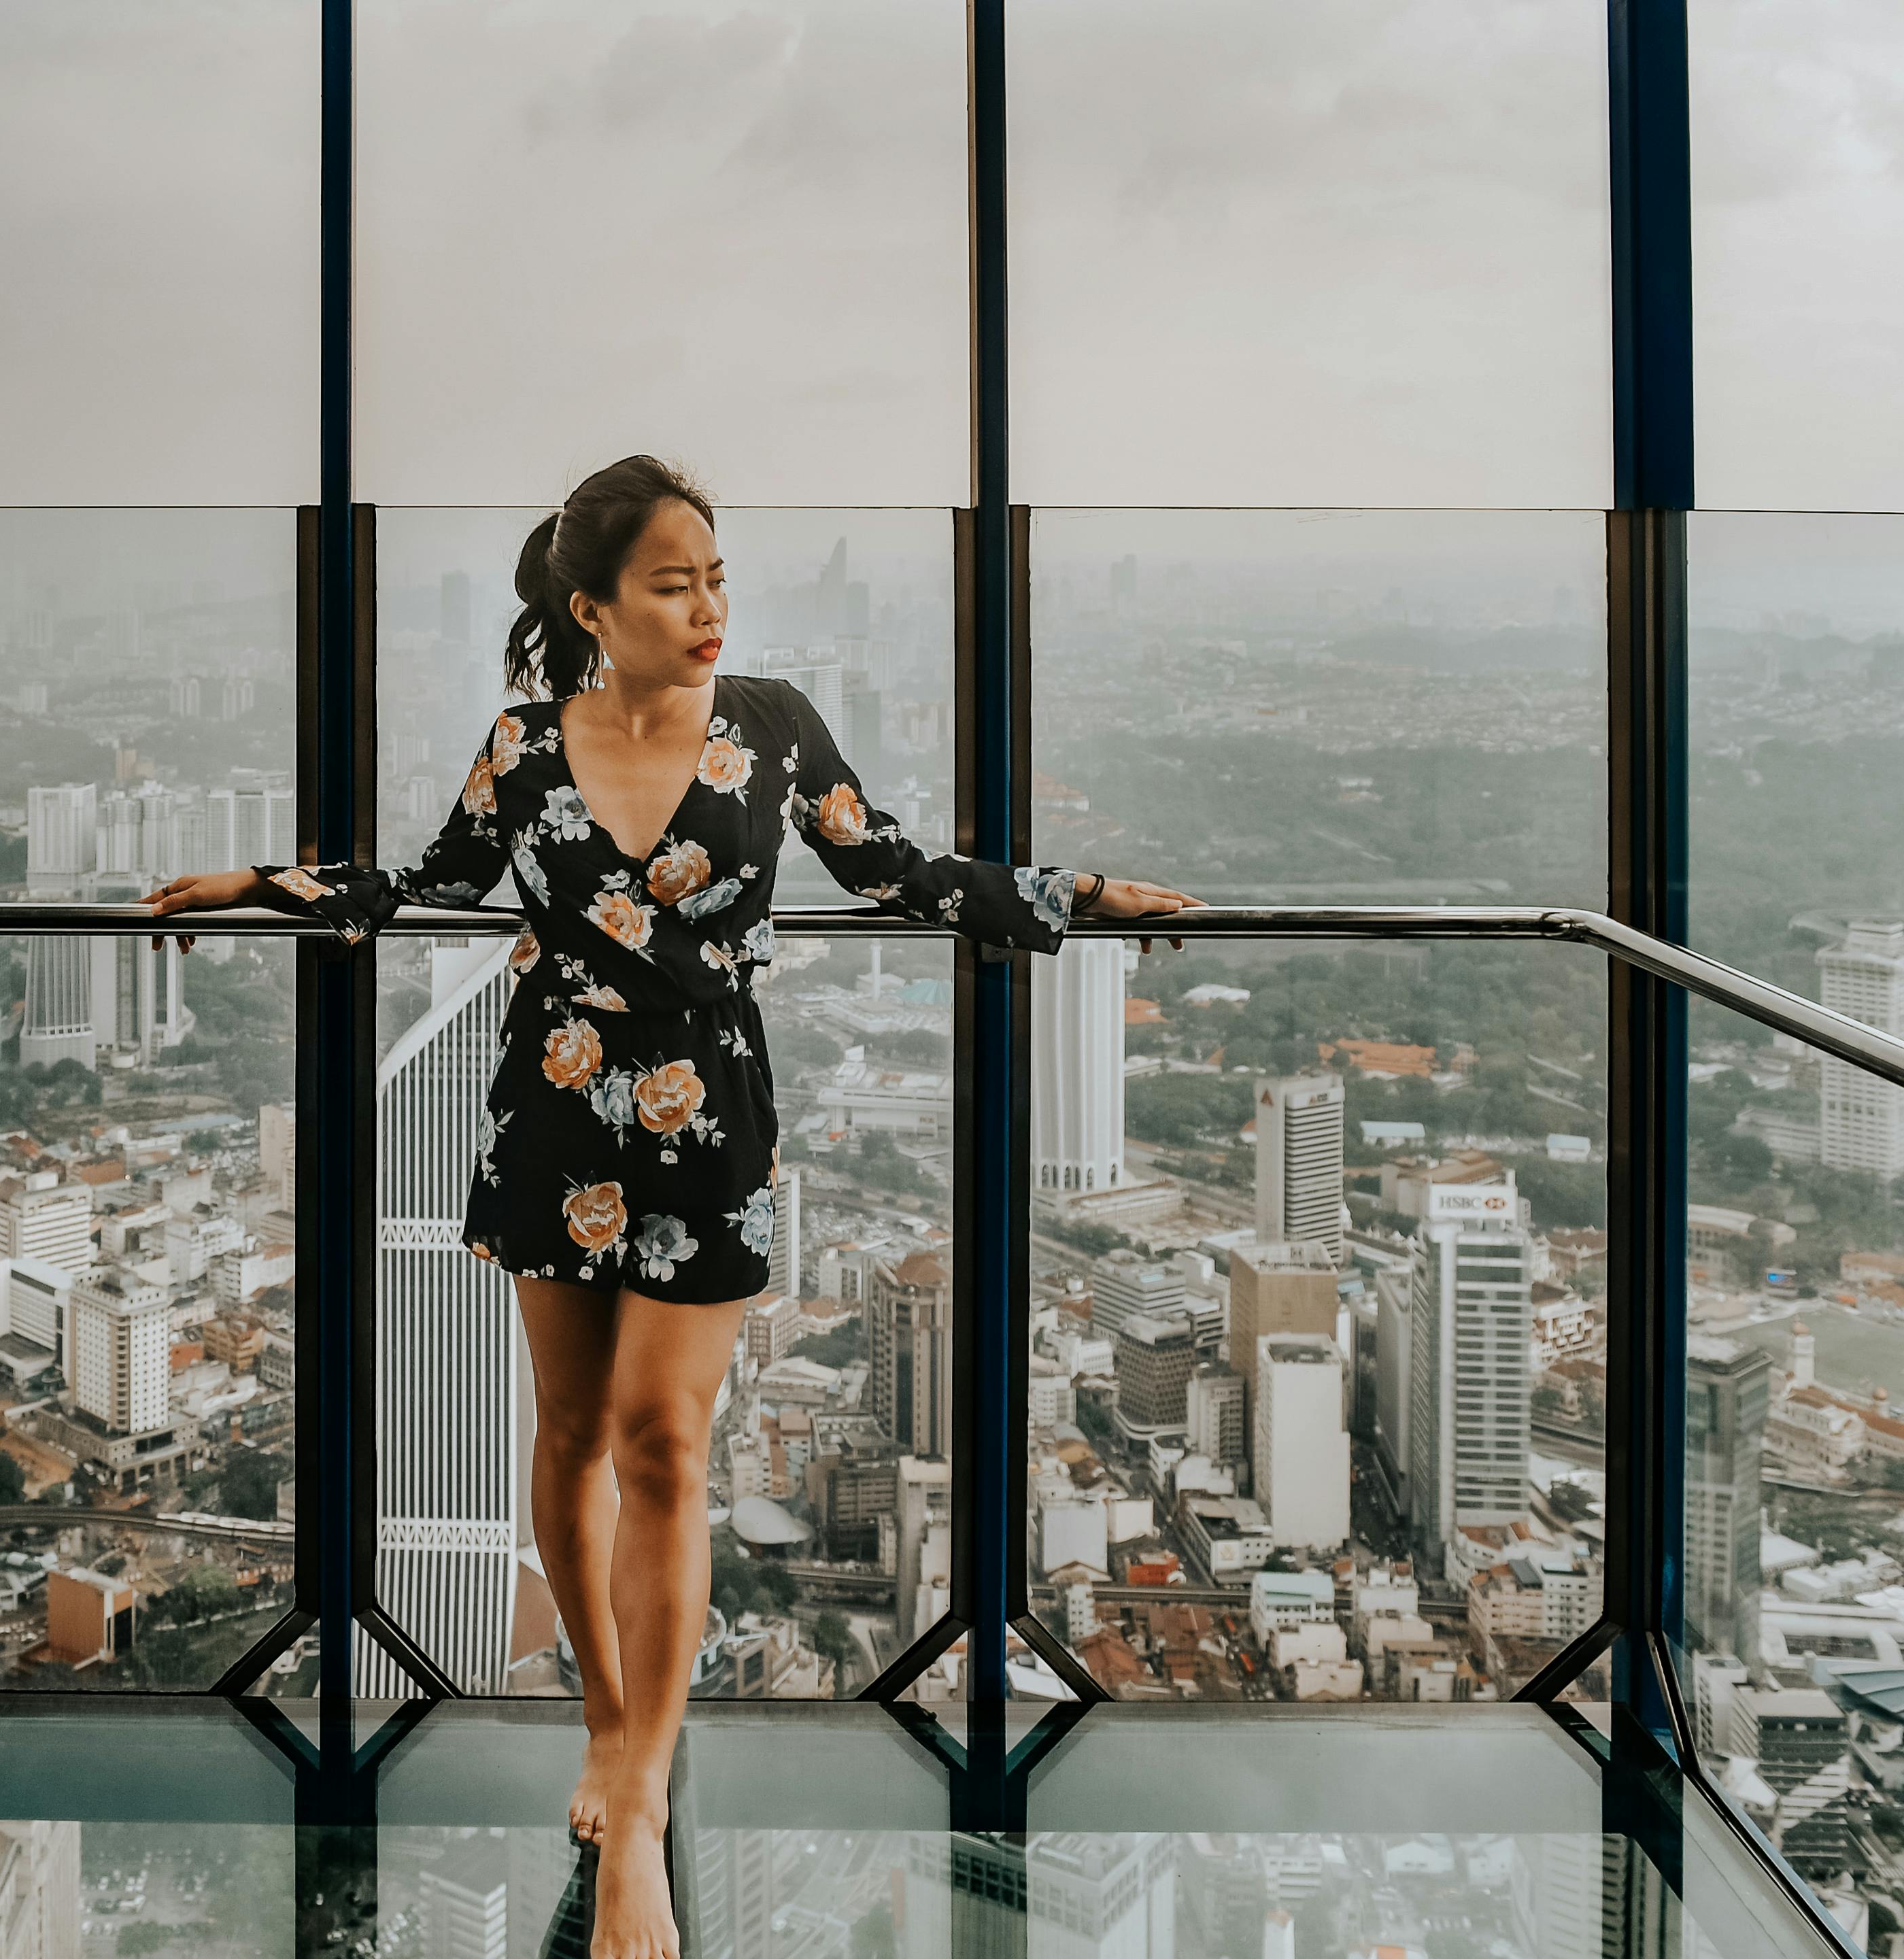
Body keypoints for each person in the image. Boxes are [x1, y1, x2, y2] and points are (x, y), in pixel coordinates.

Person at [148, 454, 1194, 1959]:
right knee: (565, 1433)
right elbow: (433, 886)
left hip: (710, 1118)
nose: (710, 606)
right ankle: (605, 1713)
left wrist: (1079, 896)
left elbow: (894, 868)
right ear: (595, 606)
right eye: (673, 581)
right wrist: (260, 887)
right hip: (552, 1111)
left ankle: (638, 1794)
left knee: (664, 1438)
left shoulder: (770, 727)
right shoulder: (523, 742)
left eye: (717, 577)